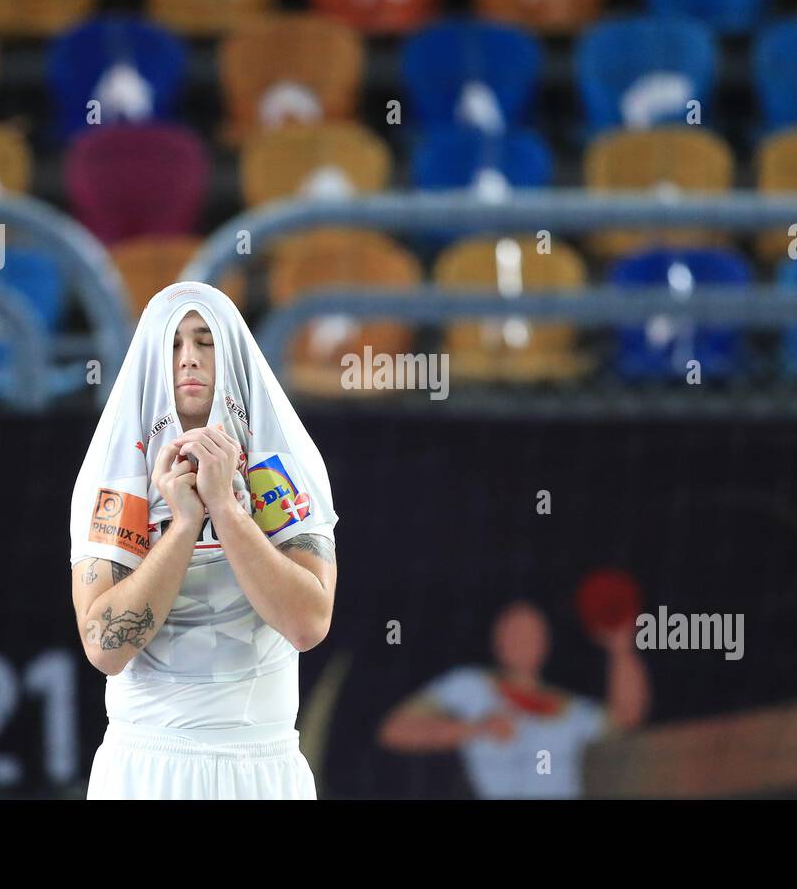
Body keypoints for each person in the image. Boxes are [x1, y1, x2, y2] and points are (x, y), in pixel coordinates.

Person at [69, 282, 339, 799]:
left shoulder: (278, 468)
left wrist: (226, 509)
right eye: (173, 344)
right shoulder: (117, 477)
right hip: (146, 766)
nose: (189, 359)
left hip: (263, 765)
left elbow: (308, 623)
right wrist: (185, 524)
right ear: (151, 357)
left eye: (204, 341)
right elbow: (105, 647)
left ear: (231, 351)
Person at [377, 601, 649, 798]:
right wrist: (475, 729)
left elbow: (626, 716)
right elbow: (395, 731)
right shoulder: (471, 685)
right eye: (513, 632)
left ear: (545, 643)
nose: (522, 640)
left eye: (531, 633)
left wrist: (620, 649)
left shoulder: (565, 707)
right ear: (498, 642)